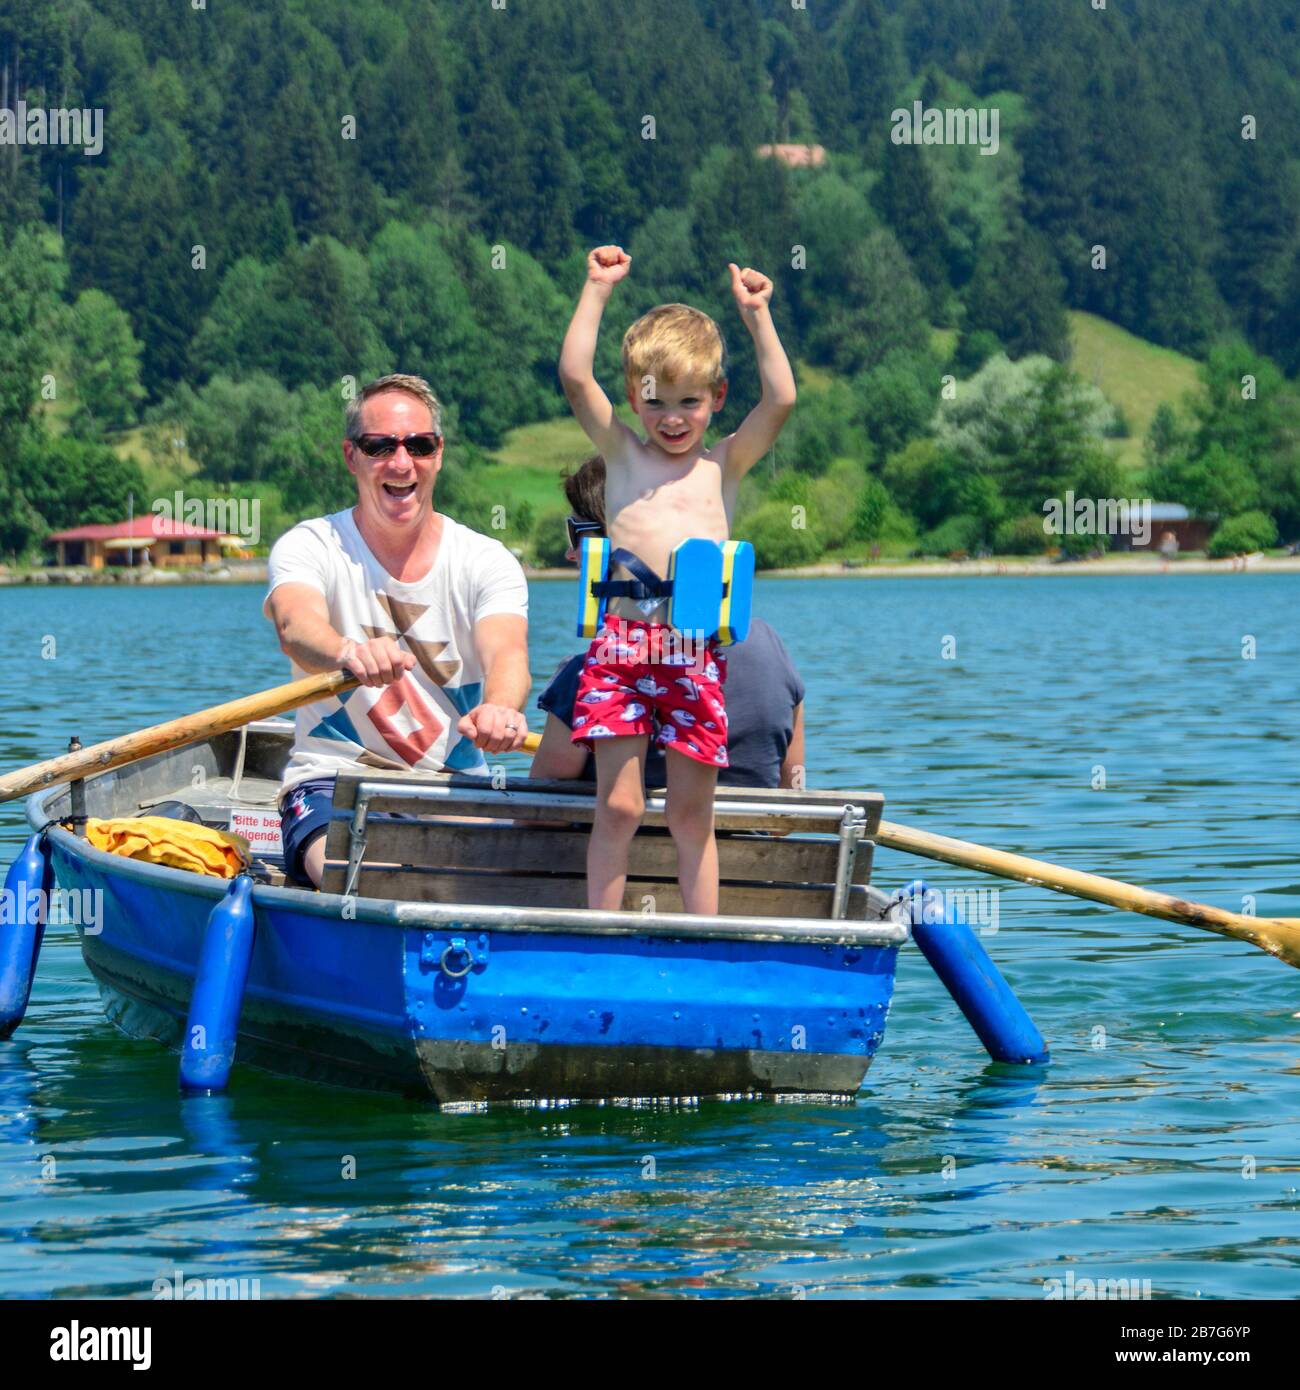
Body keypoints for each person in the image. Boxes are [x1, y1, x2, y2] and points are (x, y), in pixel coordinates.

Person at [557, 245, 796, 914]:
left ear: (716, 398)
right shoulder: (622, 453)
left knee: (693, 816)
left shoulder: (723, 467)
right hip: (622, 655)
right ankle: (599, 933)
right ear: (636, 395)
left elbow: (781, 398)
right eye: (657, 401)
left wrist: (757, 316)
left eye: (690, 402)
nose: (672, 417)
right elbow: (575, 375)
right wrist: (597, 289)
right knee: (621, 804)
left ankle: (702, 938)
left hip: (693, 655)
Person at [264, 373, 530, 889]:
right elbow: (294, 625)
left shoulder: (486, 561)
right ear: (351, 457)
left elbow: (508, 655)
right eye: (380, 446)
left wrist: (501, 707)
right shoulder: (311, 545)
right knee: (358, 882)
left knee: (520, 884)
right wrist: (347, 652)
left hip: (456, 787)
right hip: (332, 783)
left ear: (438, 454)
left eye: (419, 445)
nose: (401, 462)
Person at [531, 456, 806, 791]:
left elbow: (541, 813)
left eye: (577, 534)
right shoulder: (771, 649)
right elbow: (788, 809)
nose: (570, 554)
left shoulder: (592, 673)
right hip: (756, 843)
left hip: (631, 844)